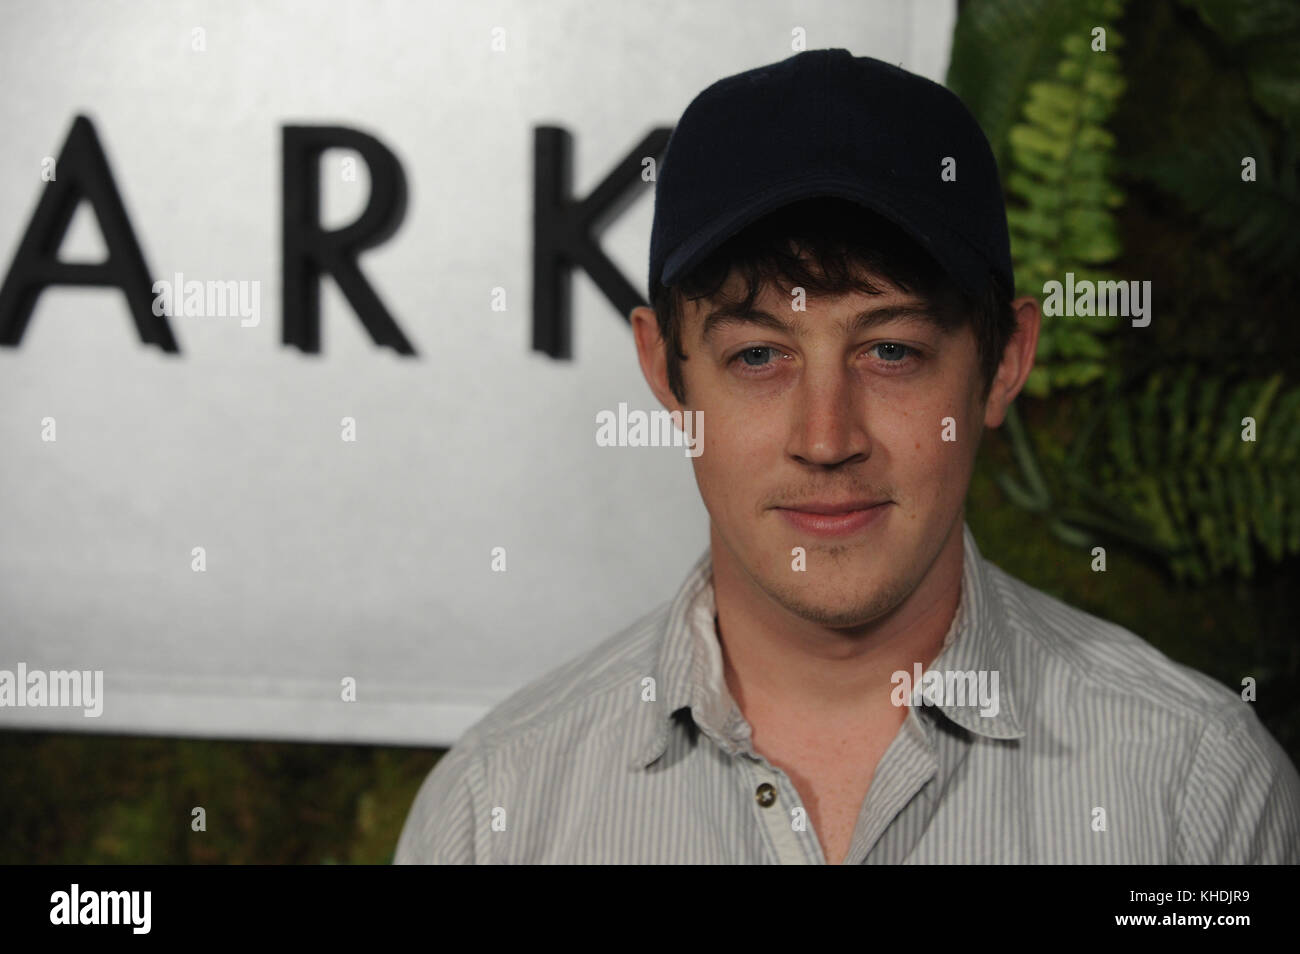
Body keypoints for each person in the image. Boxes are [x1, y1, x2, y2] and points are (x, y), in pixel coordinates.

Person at [395, 48, 1300, 863]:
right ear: (665, 373)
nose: (827, 438)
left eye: (892, 351)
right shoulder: (497, 813)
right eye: (758, 356)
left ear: (1004, 362)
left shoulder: (1197, 794)